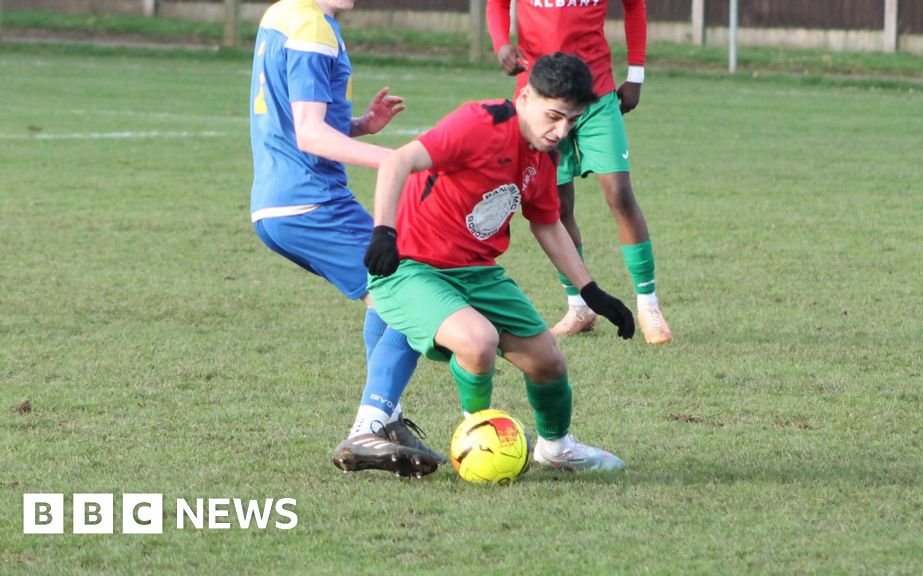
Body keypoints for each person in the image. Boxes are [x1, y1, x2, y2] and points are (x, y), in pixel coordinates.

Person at [364, 53, 631, 472]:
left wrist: (590, 290)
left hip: (477, 272)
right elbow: (398, 160)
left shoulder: (545, 154)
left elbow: (547, 224)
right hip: (412, 266)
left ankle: (556, 447)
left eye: (572, 121)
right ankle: (477, 438)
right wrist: (384, 231)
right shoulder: (479, 123)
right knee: (478, 341)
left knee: (549, 362)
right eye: (554, 115)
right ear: (525, 97)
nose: (561, 130)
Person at [248, 0, 444, 478]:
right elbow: (311, 136)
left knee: (385, 293)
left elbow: (292, 117)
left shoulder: (286, 15)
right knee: (415, 290)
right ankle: (369, 425)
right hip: (309, 204)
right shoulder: (312, 28)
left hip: (281, 204)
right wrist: (394, 159)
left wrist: (360, 127)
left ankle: (386, 420)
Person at [486, 0, 673, 345]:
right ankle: (579, 307)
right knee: (554, 206)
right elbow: (496, 5)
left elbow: (635, 6)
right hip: (540, 99)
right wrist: (501, 44)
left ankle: (648, 305)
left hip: (596, 95)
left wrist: (636, 75)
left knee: (618, 193)